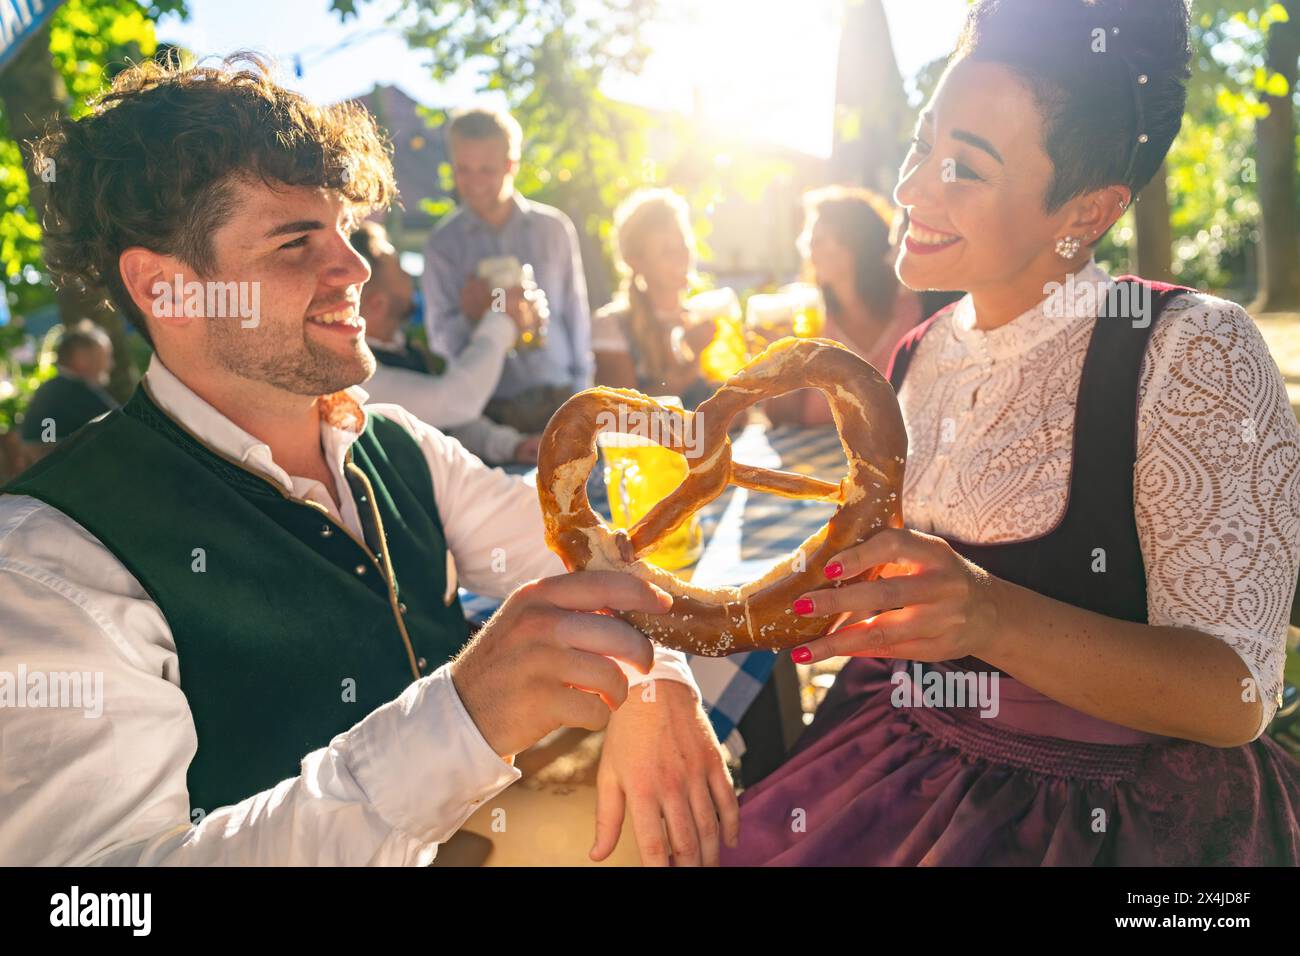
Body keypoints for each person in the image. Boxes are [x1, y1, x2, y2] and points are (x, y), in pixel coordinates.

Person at [0, 55, 738, 867]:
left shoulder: (398, 445)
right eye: (295, 242)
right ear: (167, 289)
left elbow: (599, 571)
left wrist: (657, 678)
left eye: (345, 231)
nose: (354, 269)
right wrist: (462, 721)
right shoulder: (50, 558)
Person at [723, 0, 1300, 865]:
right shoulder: (916, 353)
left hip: (1116, 817)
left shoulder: (1188, 350)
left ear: (1088, 211)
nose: (911, 189)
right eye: (923, 145)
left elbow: (1239, 692)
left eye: (965, 168)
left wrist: (989, 616)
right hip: (892, 749)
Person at [422, 107, 592, 435]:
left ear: (510, 165)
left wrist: (584, 398)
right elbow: (440, 340)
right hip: (490, 413)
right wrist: (481, 316)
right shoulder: (442, 245)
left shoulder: (553, 229)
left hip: (561, 398)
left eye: (486, 170)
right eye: (463, 170)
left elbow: (576, 316)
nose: (474, 184)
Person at [350, 221, 541, 465]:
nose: (409, 275)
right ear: (377, 303)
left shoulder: (406, 350)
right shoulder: (360, 377)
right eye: (398, 268)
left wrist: (512, 445)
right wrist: (502, 317)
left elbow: (449, 421)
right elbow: (454, 401)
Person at [763, 187, 924, 427]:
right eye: (808, 242)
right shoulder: (808, 322)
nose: (810, 252)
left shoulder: (913, 314)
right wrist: (779, 369)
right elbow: (780, 418)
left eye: (817, 241)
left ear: (856, 243)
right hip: (818, 462)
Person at [591, 188, 715, 408]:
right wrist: (691, 360)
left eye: (684, 245)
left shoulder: (702, 318)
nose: (681, 257)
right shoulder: (611, 326)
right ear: (635, 261)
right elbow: (622, 414)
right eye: (667, 251)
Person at [19, 321, 119, 460]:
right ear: (81, 357)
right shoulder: (74, 393)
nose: (111, 364)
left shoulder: (54, 390)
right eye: (105, 356)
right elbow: (121, 429)